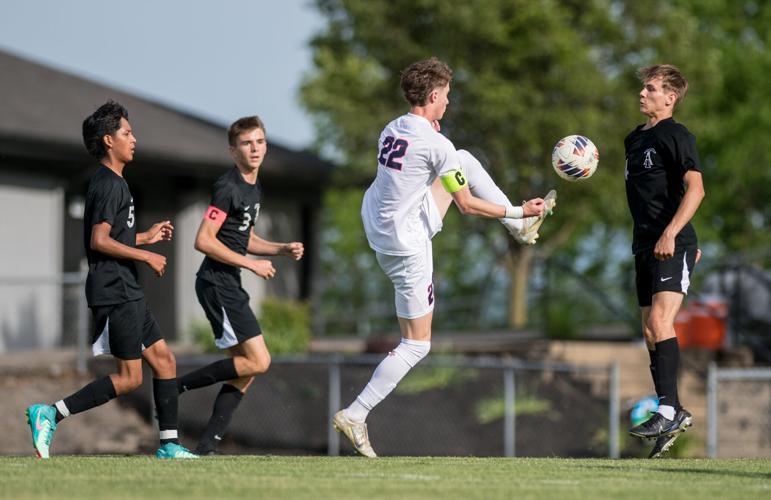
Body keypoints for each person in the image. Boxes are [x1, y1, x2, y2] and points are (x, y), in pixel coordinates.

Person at [332, 57, 555, 457]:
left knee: (464, 158)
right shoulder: (438, 145)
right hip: (407, 246)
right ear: (434, 95)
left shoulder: (393, 127)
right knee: (417, 345)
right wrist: (520, 209)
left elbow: (423, 162)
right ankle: (355, 413)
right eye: (447, 95)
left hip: (382, 228)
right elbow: (466, 204)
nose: (449, 102)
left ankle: (519, 229)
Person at [25, 101, 196, 459]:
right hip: (115, 290)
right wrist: (147, 255)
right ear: (108, 140)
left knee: (164, 361)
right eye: (127, 133)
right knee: (130, 378)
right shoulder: (108, 184)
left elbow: (114, 237)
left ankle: (169, 446)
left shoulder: (115, 182)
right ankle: (51, 413)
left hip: (126, 288)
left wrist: (145, 237)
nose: (134, 139)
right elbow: (99, 241)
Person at [175, 116, 304, 455]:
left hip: (227, 282)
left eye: (259, 142)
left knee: (244, 371)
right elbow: (203, 240)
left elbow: (242, 237)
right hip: (217, 284)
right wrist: (251, 264)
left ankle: (206, 446)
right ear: (233, 151)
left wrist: (280, 249)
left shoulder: (252, 187)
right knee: (259, 361)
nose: (255, 148)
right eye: (247, 143)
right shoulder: (228, 187)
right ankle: (173, 387)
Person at [624, 65, 705, 458]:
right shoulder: (634, 139)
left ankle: (668, 411)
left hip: (672, 244)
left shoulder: (677, 135)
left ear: (670, 98)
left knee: (661, 322)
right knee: (649, 331)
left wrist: (674, 234)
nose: (643, 93)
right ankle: (672, 409)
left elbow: (696, 189)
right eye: (643, 87)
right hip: (644, 246)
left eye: (652, 89)